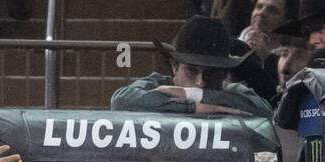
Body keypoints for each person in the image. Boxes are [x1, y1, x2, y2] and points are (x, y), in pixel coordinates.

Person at [110, 15, 273, 117]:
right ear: (175, 66)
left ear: (224, 73)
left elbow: (265, 110)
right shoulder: (157, 84)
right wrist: (193, 107)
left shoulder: (236, 91)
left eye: (212, 73)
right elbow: (120, 100)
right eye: (191, 71)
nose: (200, 82)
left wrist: (191, 94)